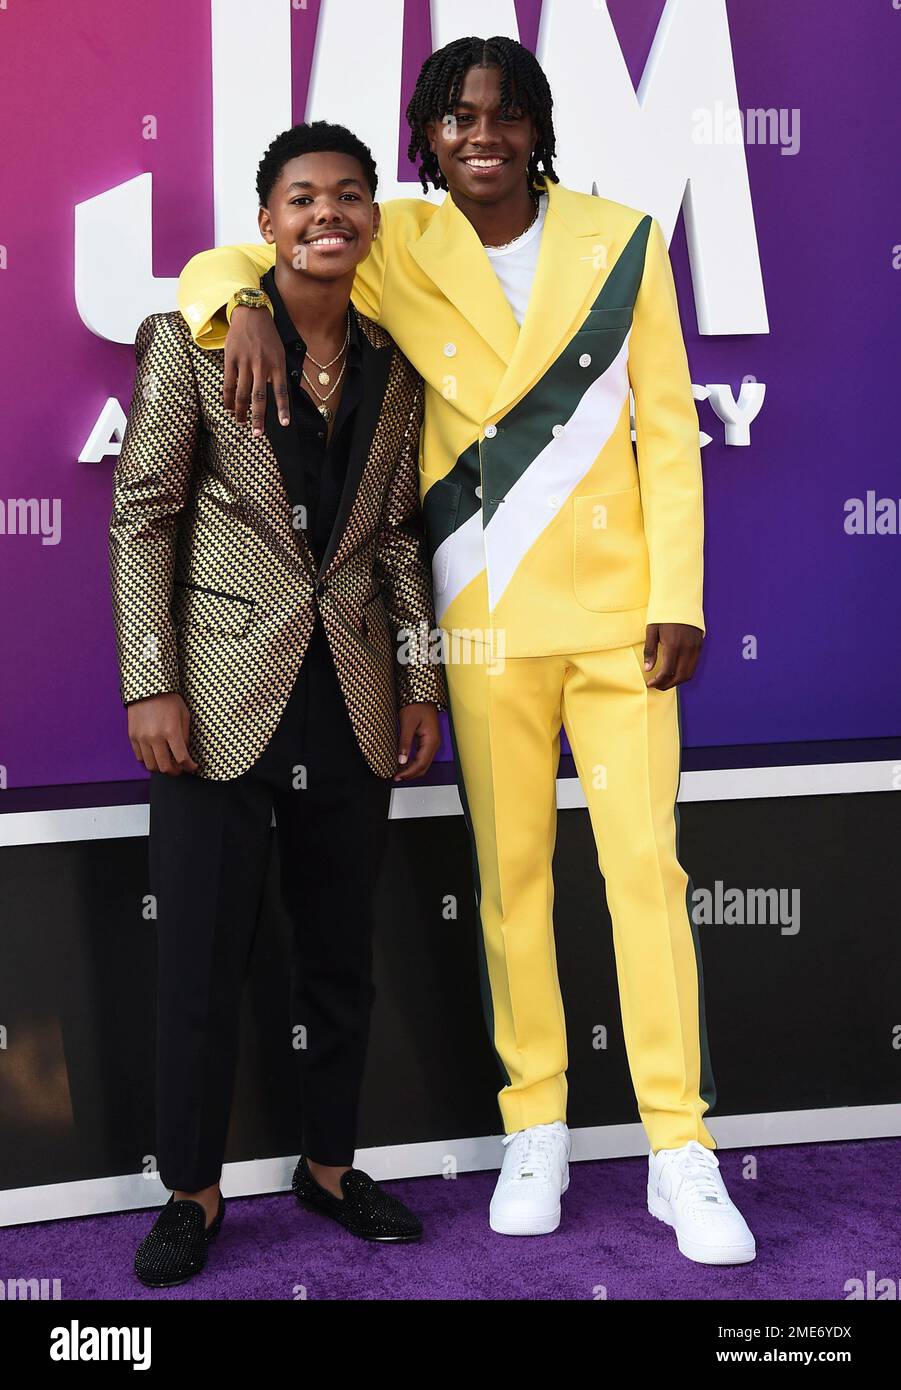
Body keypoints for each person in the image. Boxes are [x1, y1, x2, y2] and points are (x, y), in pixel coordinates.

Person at [176, 37, 756, 1265]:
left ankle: (679, 1146)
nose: (477, 133)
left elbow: (670, 431)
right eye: (452, 116)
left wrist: (680, 594)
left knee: (645, 873)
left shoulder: (623, 237)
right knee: (512, 885)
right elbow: (234, 256)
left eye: (500, 114)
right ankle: (533, 1122)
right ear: (426, 138)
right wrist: (234, 310)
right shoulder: (400, 241)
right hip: (479, 616)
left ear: (536, 127)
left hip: (616, 615)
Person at [110, 121, 446, 1287]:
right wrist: (150, 678)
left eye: (350, 196)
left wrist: (419, 678)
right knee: (199, 954)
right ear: (266, 224)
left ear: (371, 219)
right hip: (212, 697)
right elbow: (142, 514)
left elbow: (397, 535)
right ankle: (193, 1193)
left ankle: (331, 1165)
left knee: (337, 954)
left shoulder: (396, 365)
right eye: (302, 198)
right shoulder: (191, 341)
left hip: (349, 693)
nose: (328, 215)